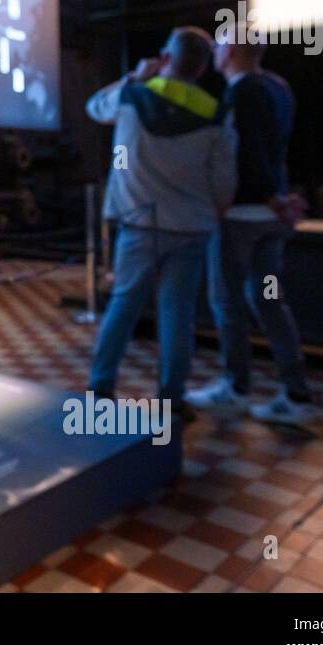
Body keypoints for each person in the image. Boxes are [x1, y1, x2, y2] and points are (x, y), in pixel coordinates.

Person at [86, 27, 237, 414]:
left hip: (139, 224)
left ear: (166, 58)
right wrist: (215, 207)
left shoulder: (132, 95)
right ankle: (171, 399)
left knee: (123, 307)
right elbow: (223, 179)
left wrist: (135, 75)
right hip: (191, 228)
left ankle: (100, 391)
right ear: (203, 69)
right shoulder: (215, 111)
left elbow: (94, 107)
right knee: (178, 316)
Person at [186, 30, 311, 425]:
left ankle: (235, 387)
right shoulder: (279, 87)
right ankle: (295, 392)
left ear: (233, 51)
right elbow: (278, 150)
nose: (215, 52)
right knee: (271, 302)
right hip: (272, 220)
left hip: (240, 217)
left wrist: (265, 196)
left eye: (220, 44)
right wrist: (281, 198)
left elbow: (247, 153)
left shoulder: (239, 93)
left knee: (228, 304)